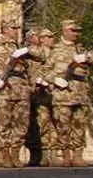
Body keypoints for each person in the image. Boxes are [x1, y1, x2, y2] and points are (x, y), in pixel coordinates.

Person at [0, 20, 40, 168]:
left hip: (22, 88)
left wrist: (28, 51)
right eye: (13, 28)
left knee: (21, 123)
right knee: (3, 122)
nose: (16, 31)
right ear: (5, 29)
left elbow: (40, 57)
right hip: (4, 89)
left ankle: (15, 152)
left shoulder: (21, 47)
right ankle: (3, 154)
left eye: (17, 28)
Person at [46, 19, 93, 167]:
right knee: (63, 126)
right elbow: (44, 71)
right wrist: (55, 80)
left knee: (80, 125)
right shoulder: (55, 50)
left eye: (78, 31)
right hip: (63, 94)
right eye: (73, 30)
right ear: (64, 31)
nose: (76, 34)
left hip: (80, 93)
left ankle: (77, 156)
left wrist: (87, 57)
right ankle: (65, 155)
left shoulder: (81, 49)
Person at [31, 28, 58, 166]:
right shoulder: (36, 54)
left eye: (52, 37)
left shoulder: (56, 53)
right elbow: (32, 72)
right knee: (42, 123)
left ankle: (54, 154)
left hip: (54, 93)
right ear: (41, 39)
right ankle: (43, 153)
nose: (51, 39)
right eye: (47, 37)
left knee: (55, 124)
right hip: (39, 93)